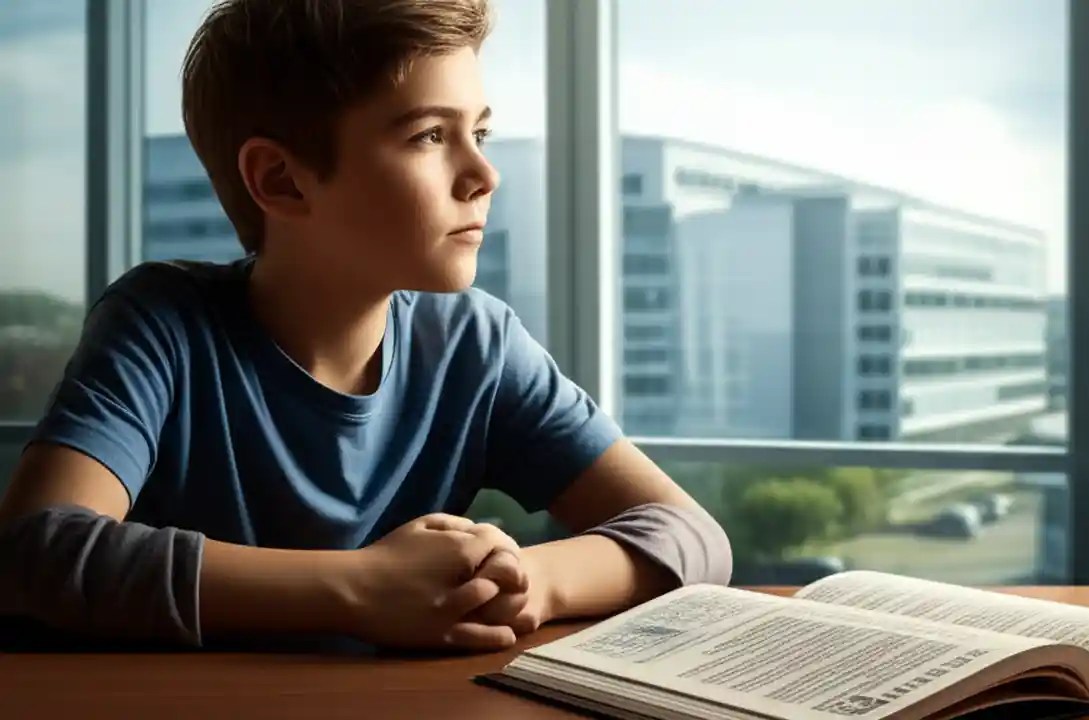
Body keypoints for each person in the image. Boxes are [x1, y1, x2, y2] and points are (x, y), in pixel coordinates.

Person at [0, 0, 731, 652]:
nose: (484, 172)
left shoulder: (476, 346)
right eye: (427, 136)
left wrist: (529, 580)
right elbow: (36, 550)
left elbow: (692, 534)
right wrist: (361, 589)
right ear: (281, 181)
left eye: (478, 130)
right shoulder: (163, 325)